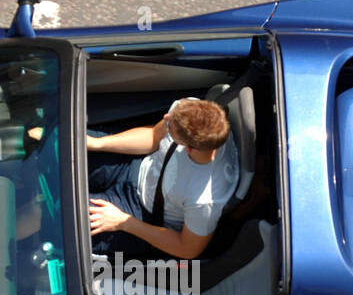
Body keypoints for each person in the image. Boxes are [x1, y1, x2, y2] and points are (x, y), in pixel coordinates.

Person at [84, 98, 238, 260]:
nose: (165, 117)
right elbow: (153, 137)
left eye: (169, 126)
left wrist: (123, 222)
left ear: (188, 148)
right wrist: (97, 144)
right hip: (137, 165)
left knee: (64, 223)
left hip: (139, 212)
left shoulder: (205, 200)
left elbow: (187, 249)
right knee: (61, 149)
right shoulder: (188, 110)